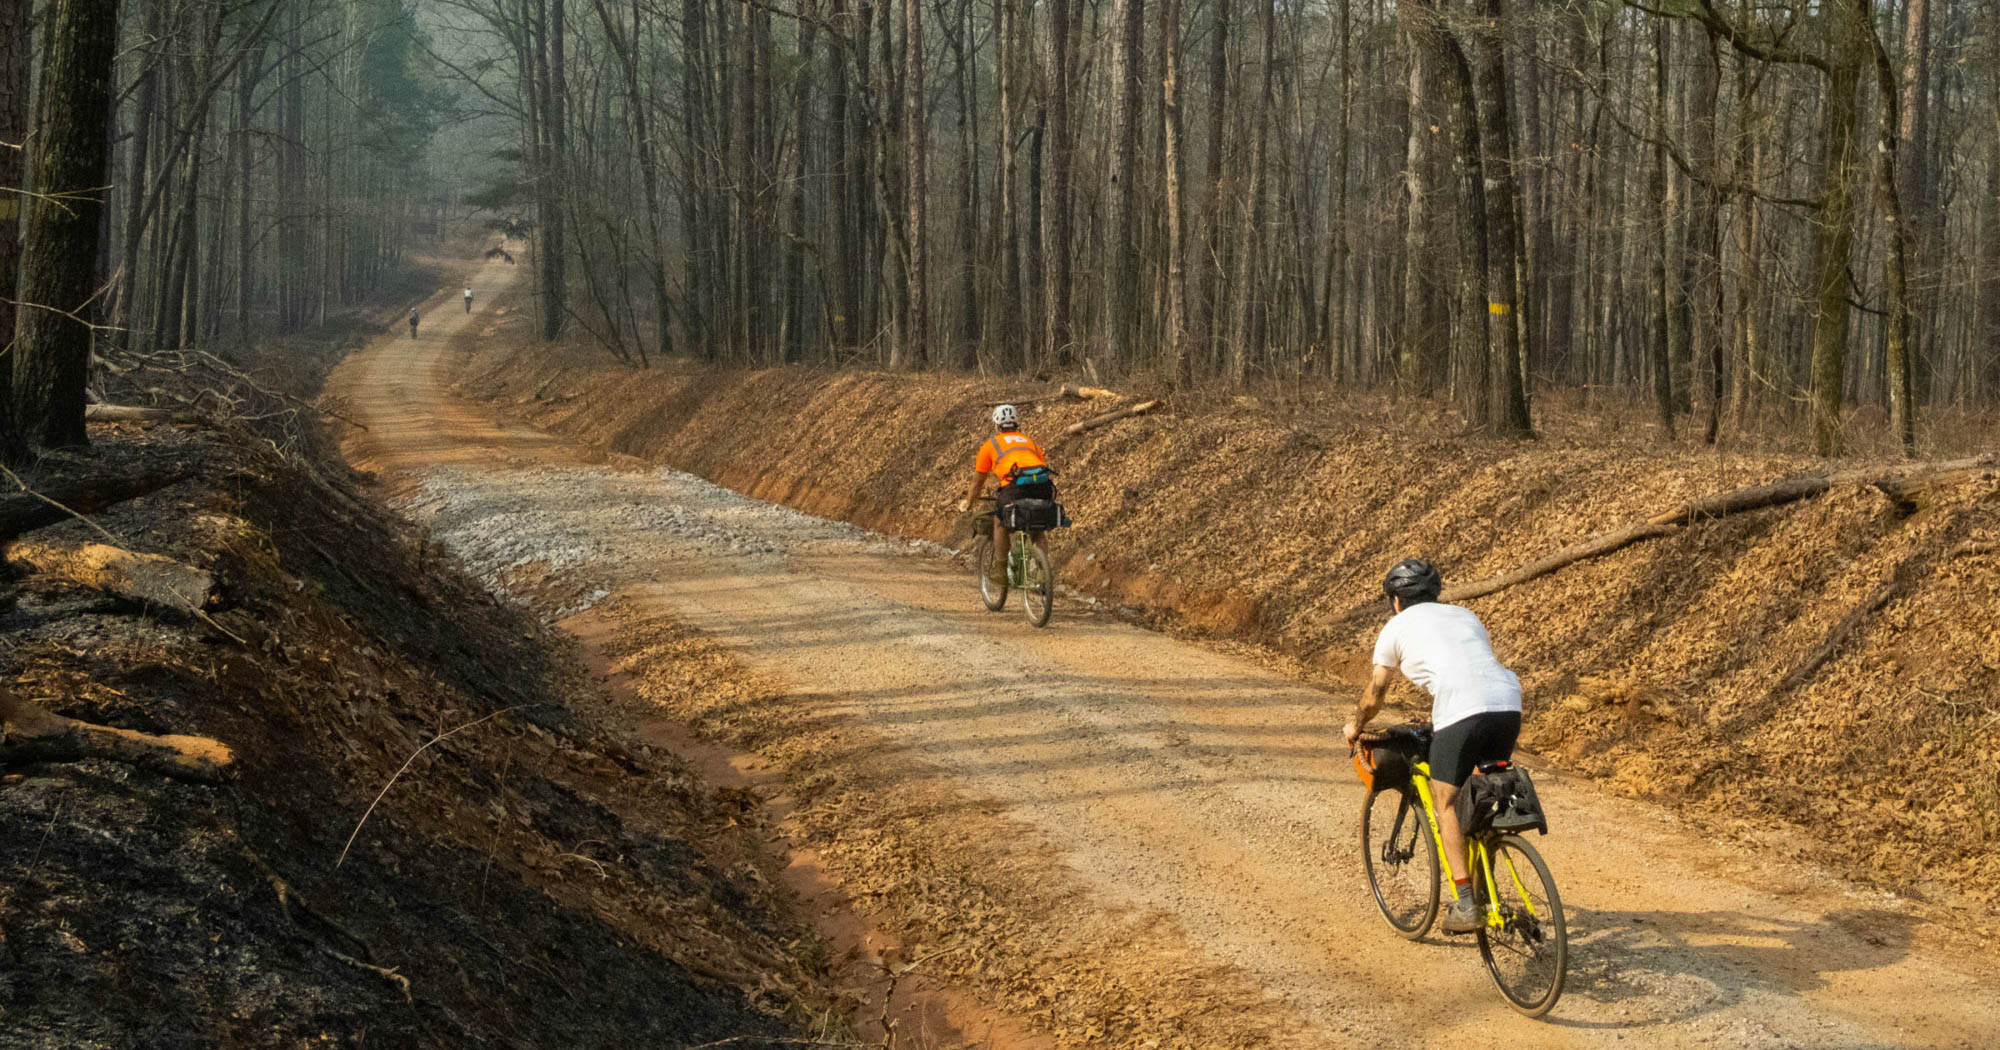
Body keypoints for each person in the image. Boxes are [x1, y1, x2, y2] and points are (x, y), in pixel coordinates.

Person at [1343, 558, 1523, 933]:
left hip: (1462, 710)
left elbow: (1375, 695)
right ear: (1435, 593)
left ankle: (1466, 903)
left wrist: (1355, 725)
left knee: (1447, 804)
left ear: (1395, 601)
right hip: (1508, 704)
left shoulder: (1395, 628)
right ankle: (1487, 869)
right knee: (1481, 789)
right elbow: (1468, 666)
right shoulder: (1465, 615)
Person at [956, 404, 1053, 583]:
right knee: (1037, 528)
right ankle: (1043, 574)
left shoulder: (990, 445)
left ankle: (1000, 570)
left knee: (1000, 521)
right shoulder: (1030, 442)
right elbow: (1037, 467)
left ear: (996, 426)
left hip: (1015, 487)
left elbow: (978, 481)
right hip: (1043, 485)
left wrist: (969, 502)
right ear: (1017, 424)